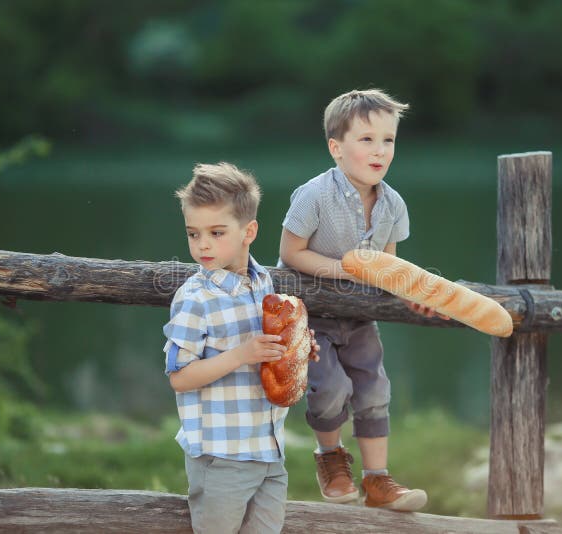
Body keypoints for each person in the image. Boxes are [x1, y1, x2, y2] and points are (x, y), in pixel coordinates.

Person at [278, 89, 442, 512]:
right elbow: (291, 254)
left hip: (360, 319)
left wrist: (411, 295)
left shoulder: (393, 204)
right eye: (366, 139)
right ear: (336, 148)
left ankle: (378, 481)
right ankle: (330, 459)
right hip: (310, 315)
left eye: (388, 140)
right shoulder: (314, 196)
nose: (380, 150)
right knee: (331, 388)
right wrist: (345, 269)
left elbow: (388, 269)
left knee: (373, 390)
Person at [164, 162, 304, 533]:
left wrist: (296, 352)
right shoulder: (196, 298)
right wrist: (241, 354)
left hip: (270, 453)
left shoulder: (265, 284)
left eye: (216, 232)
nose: (203, 244)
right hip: (221, 457)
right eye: (193, 234)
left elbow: (269, 353)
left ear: (249, 231)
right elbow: (179, 377)